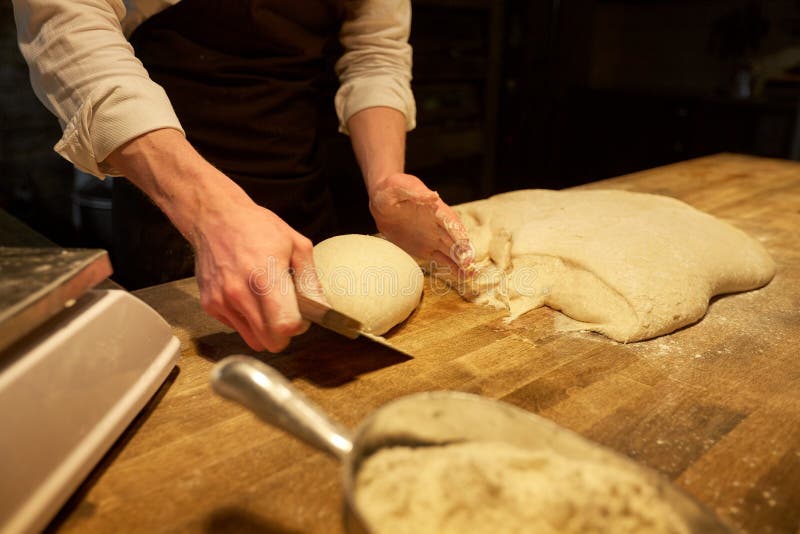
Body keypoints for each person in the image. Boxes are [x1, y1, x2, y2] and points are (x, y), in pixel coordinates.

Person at [12, 0, 474, 352]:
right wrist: (210, 211)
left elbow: (376, 55)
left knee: (317, 329)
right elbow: (68, 28)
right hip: (171, 200)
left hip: (299, 183)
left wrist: (385, 181)